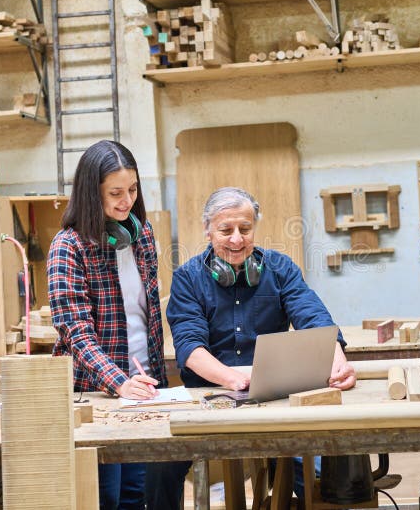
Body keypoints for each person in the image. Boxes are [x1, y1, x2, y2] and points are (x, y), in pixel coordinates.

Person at [146, 187, 356, 509]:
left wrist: (337, 363)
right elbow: (189, 345)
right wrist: (233, 380)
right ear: (207, 230)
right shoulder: (188, 278)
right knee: (160, 465)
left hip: (272, 397)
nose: (236, 239)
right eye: (225, 230)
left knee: (313, 469)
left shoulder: (280, 269)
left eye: (245, 229)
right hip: (209, 397)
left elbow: (313, 317)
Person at [48, 140, 166, 510]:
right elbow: (75, 331)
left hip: (143, 388)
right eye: (115, 193)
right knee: (105, 496)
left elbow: (147, 317)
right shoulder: (68, 247)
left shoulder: (141, 235)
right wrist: (118, 383)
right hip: (95, 394)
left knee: (137, 494)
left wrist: (148, 378)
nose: (126, 200)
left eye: (132, 190)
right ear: (90, 192)